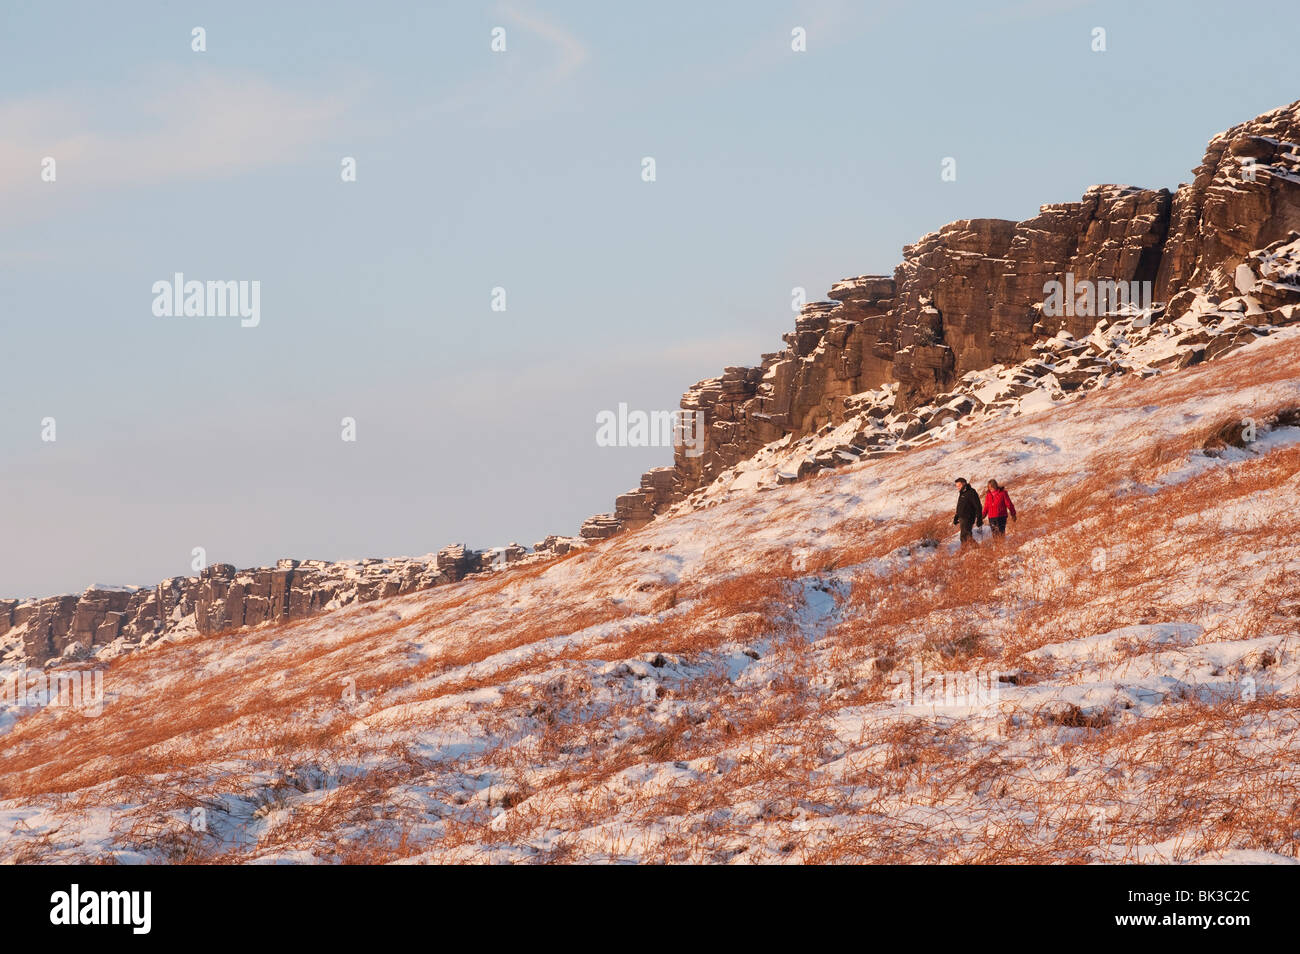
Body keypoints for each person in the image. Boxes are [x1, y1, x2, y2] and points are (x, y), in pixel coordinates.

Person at [953, 478, 983, 546]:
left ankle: (974, 549)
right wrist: (956, 516)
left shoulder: (971, 492)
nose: (958, 487)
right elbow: (960, 506)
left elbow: (978, 506)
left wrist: (979, 519)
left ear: (964, 483)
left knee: (966, 536)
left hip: (968, 517)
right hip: (962, 518)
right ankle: (969, 550)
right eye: (957, 486)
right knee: (965, 536)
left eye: (959, 485)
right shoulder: (962, 492)